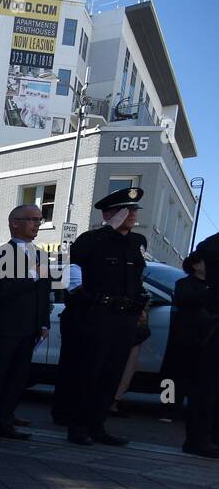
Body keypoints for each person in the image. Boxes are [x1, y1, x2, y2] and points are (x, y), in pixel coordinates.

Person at [63, 187, 149, 447]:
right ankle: (78, 427)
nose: (133, 214)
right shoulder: (92, 240)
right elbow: (75, 265)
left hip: (124, 319)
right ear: (110, 213)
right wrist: (108, 229)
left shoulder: (136, 243)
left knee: (111, 374)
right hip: (97, 316)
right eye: (127, 209)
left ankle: (97, 426)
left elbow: (136, 278)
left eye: (134, 210)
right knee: (89, 373)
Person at [0, 205, 50, 441]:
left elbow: (44, 292)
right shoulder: (0, 255)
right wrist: (31, 275)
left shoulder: (40, 254)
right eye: (32, 219)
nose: (37, 224)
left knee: (18, 379)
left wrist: (44, 323)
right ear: (14, 223)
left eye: (39, 219)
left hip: (30, 328)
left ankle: (5, 422)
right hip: (5, 327)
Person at [161, 252, 219, 456]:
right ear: (195, 265)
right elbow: (186, 301)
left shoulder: (211, 285)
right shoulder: (184, 283)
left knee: (197, 382)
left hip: (205, 341)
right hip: (184, 339)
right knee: (174, 377)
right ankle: (167, 408)